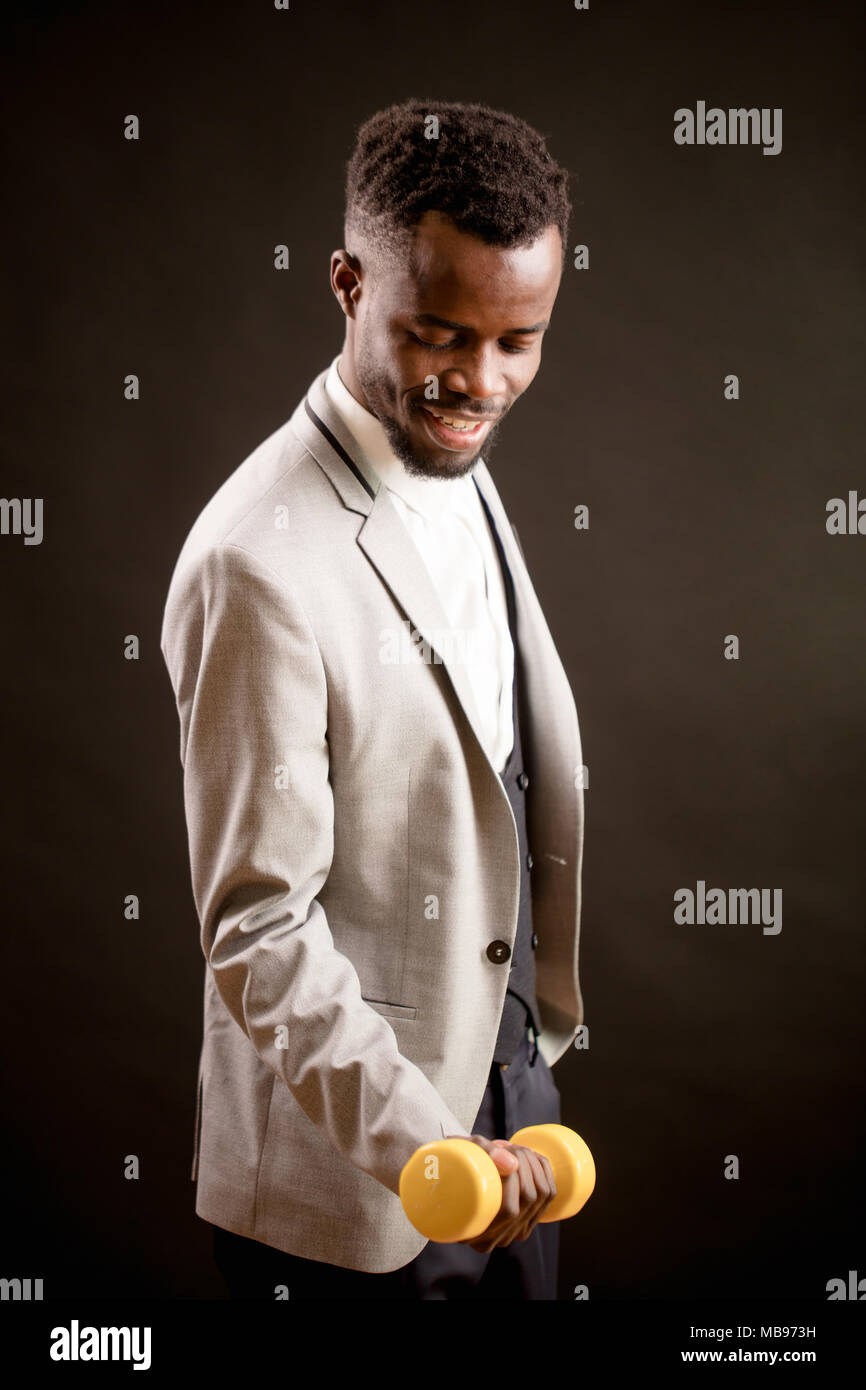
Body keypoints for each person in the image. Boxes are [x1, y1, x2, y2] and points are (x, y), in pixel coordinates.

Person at [160, 98, 587, 1301]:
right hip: (354, 1187)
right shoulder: (256, 560)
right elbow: (257, 932)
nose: (481, 382)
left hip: (513, 1112)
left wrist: (514, 1081)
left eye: (520, 340)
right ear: (347, 283)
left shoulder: (455, 452)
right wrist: (425, 1146)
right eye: (441, 334)